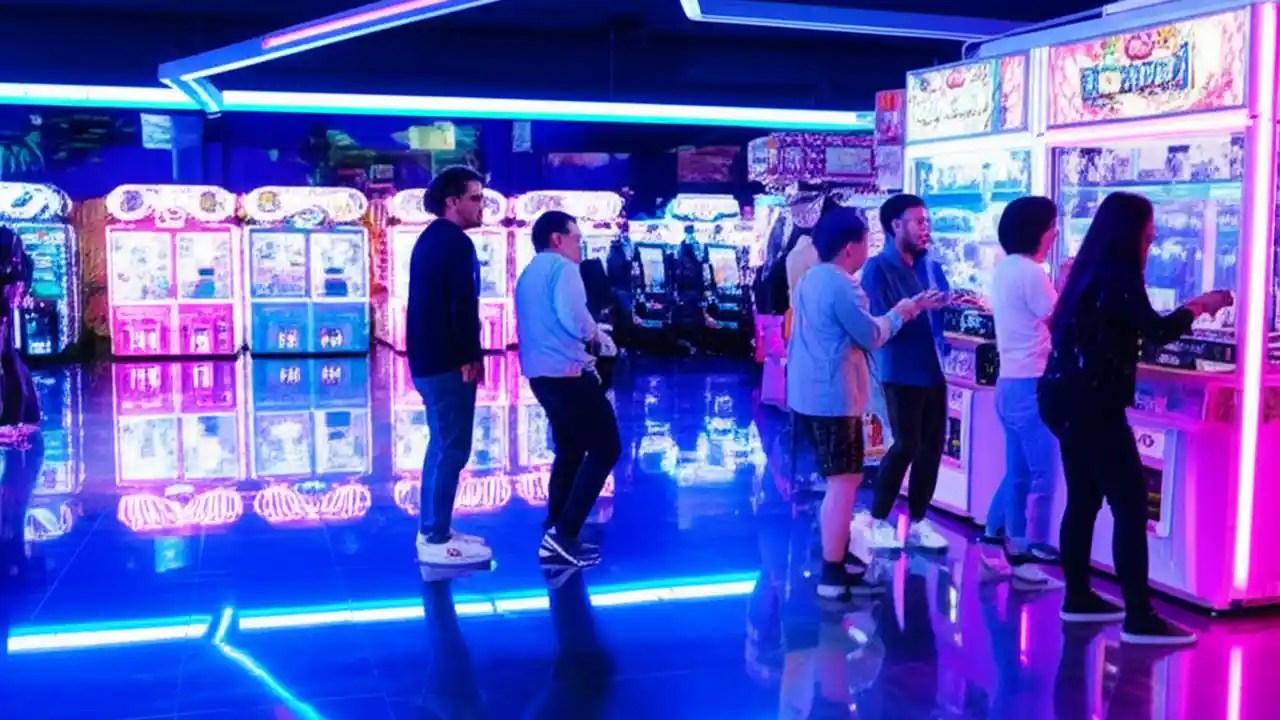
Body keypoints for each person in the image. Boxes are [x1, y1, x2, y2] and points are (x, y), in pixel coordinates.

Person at [1040, 191, 1232, 645]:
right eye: (1149, 228)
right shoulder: (1119, 277)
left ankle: (1079, 597)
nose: (1155, 235)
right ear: (1132, 231)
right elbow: (1158, 332)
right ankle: (1140, 617)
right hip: (1093, 405)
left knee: (1084, 501)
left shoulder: (1086, 273)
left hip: (1062, 398)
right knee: (1128, 505)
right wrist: (1200, 305)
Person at [787, 207, 941, 600]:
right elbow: (871, 334)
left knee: (836, 483)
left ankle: (834, 560)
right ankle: (832, 573)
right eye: (865, 240)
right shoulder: (842, 286)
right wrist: (902, 312)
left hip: (809, 393)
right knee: (844, 483)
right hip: (834, 396)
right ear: (849, 247)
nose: (868, 248)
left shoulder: (811, 280)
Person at [515, 210, 621, 567]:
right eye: (576, 238)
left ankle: (556, 522)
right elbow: (574, 318)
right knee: (606, 448)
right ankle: (564, 535)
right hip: (568, 373)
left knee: (571, 448)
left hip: (540, 374)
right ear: (557, 239)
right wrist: (598, 336)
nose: (580, 246)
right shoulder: (563, 269)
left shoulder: (530, 272)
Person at [408, 166, 492, 569]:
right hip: (446, 362)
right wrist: (471, 357)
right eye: (475, 198)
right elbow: (461, 307)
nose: (482, 206)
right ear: (452, 201)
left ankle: (434, 525)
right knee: (453, 447)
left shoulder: (430, 240)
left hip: (428, 359)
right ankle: (435, 536)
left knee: (440, 444)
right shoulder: (455, 244)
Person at [860, 194, 951, 551]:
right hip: (898, 371)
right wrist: (913, 308)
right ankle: (879, 517)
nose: (924, 228)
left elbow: (944, 300)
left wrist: (949, 302)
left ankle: (918, 520)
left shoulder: (931, 264)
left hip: (934, 369)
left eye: (926, 221)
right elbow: (876, 324)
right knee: (903, 446)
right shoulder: (876, 268)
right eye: (917, 221)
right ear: (895, 225)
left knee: (931, 448)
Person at [980, 197, 1062, 588]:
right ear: (1037, 230)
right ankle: (1030, 550)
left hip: (1010, 383)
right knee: (1043, 474)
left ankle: (997, 537)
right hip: (1031, 384)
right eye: (1051, 225)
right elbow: (1058, 318)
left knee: (1019, 472)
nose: (1055, 232)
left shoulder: (1006, 268)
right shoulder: (1032, 272)